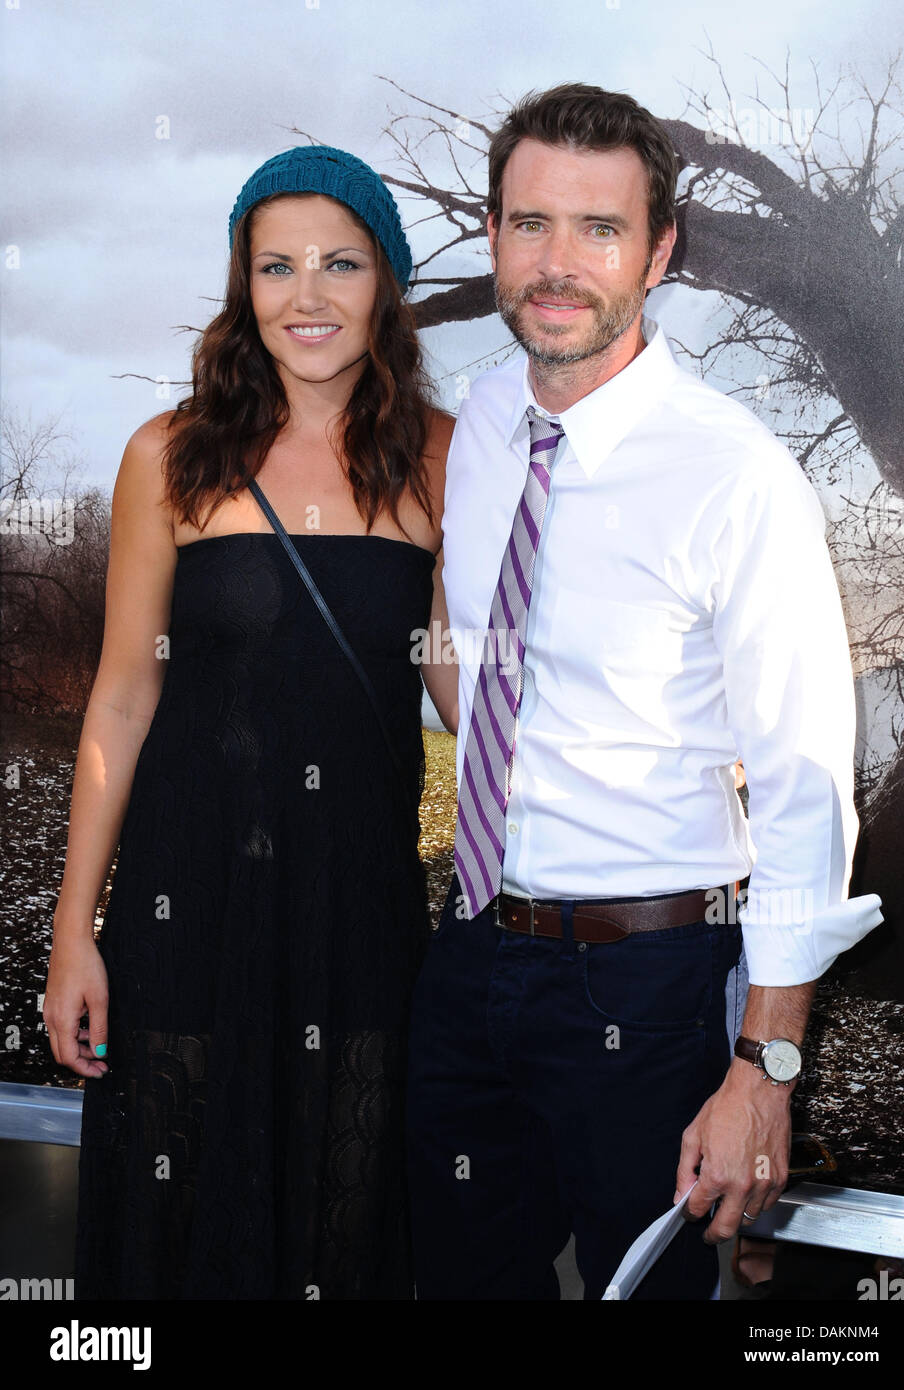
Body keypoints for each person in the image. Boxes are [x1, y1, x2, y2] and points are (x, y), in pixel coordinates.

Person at [405, 83, 884, 1301]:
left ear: (656, 251)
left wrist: (762, 1067)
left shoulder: (735, 477)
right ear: (494, 234)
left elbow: (801, 791)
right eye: (527, 224)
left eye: (597, 228)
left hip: (644, 983)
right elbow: (474, 657)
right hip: (465, 955)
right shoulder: (484, 422)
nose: (555, 263)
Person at [43, 144, 458, 1300]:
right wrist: (76, 928)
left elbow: (456, 684)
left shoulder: (441, 457)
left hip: (357, 912)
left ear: (386, 279)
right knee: (171, 1233)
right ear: (243, 285)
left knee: (346, 1221)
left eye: (340, 263)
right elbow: (122, 697)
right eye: (275, 266)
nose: (307, 297)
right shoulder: (168, 457)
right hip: (189, 908)